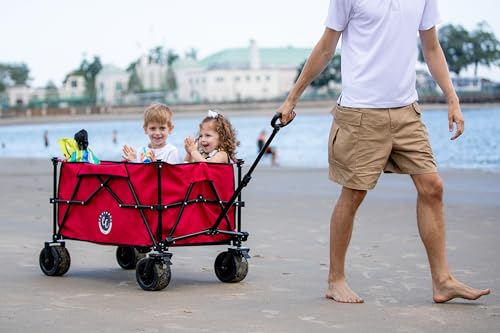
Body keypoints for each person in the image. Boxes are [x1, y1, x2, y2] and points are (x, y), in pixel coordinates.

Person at [277, 0, 491, 304]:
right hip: (360, 112)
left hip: (407, 110)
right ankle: (335, 280)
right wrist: (291, 100)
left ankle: (442, 281)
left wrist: (453, 99)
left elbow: (431, 48)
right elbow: (326, 47)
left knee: (432, 186)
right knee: (353, 194)